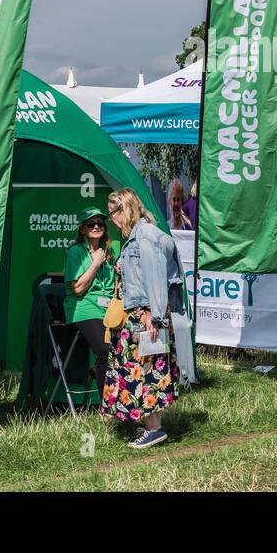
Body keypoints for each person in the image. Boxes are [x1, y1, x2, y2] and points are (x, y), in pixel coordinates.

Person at [102, 187, 184, 448]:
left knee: (145, 372)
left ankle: (154, 429)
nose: (111, 219)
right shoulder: (140, 236)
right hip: (143, 314)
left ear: (124, 210)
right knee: (146, 371)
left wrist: (155, 316)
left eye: (112, 213)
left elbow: (156, 278)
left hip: (145, 317)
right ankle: (153, 426)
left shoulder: (145, 237)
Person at [64, 207, 116, 389]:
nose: (96, 226)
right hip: (84, 308)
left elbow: (113, 286)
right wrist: (95, 264)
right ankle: (106, 408)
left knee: (130, 341)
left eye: (100, 223)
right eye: (91, 224)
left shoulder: (109, 252)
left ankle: (97, 369)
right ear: (83, 229)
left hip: (109, 309)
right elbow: (77, 288)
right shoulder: (76, 251)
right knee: (105, 350)